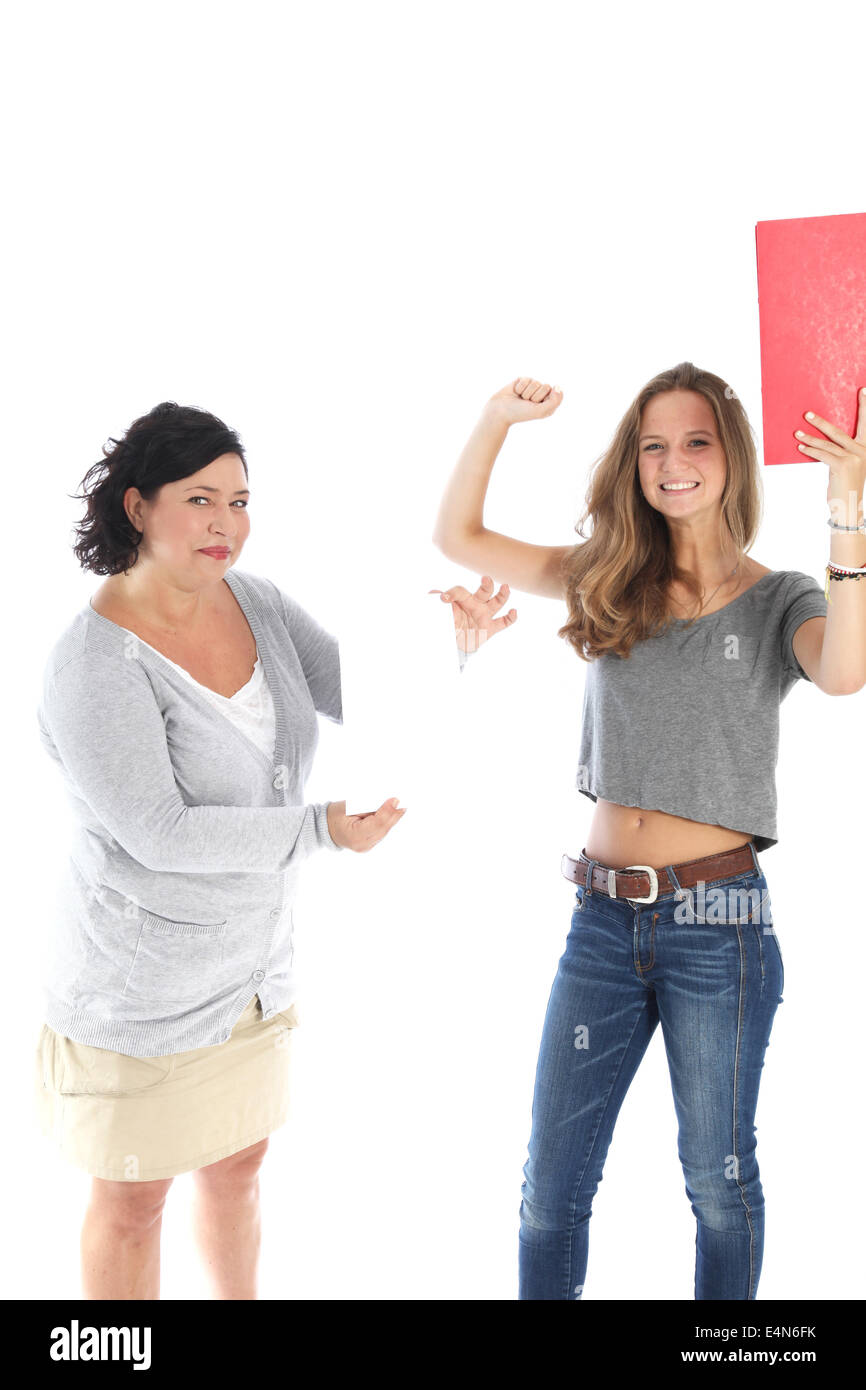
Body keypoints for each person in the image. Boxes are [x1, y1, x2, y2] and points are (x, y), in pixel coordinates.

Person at [33, 400, 510, 1302]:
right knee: (135, 1198)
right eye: (202, 499)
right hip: (141, 989)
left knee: (239, 1164)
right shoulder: (93, 665)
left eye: (241, 501)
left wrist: (455, 640)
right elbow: (159, 834)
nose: (227, 524)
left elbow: (355, 693)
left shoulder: (255, 601)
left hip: (253, 966)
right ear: (138, 507)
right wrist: (324, 829)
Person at [432, 364, 866, 1300]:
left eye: (695, 441)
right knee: (551, 1192)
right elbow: (456, 535)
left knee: (718, 1184)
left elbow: (843, 672)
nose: (673, 463)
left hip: (720, 930)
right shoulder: (605, 578)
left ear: (731, 458)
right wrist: (495, 418)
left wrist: (847, 499)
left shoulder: (778, 596)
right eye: (653, 445)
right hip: (599, 924)